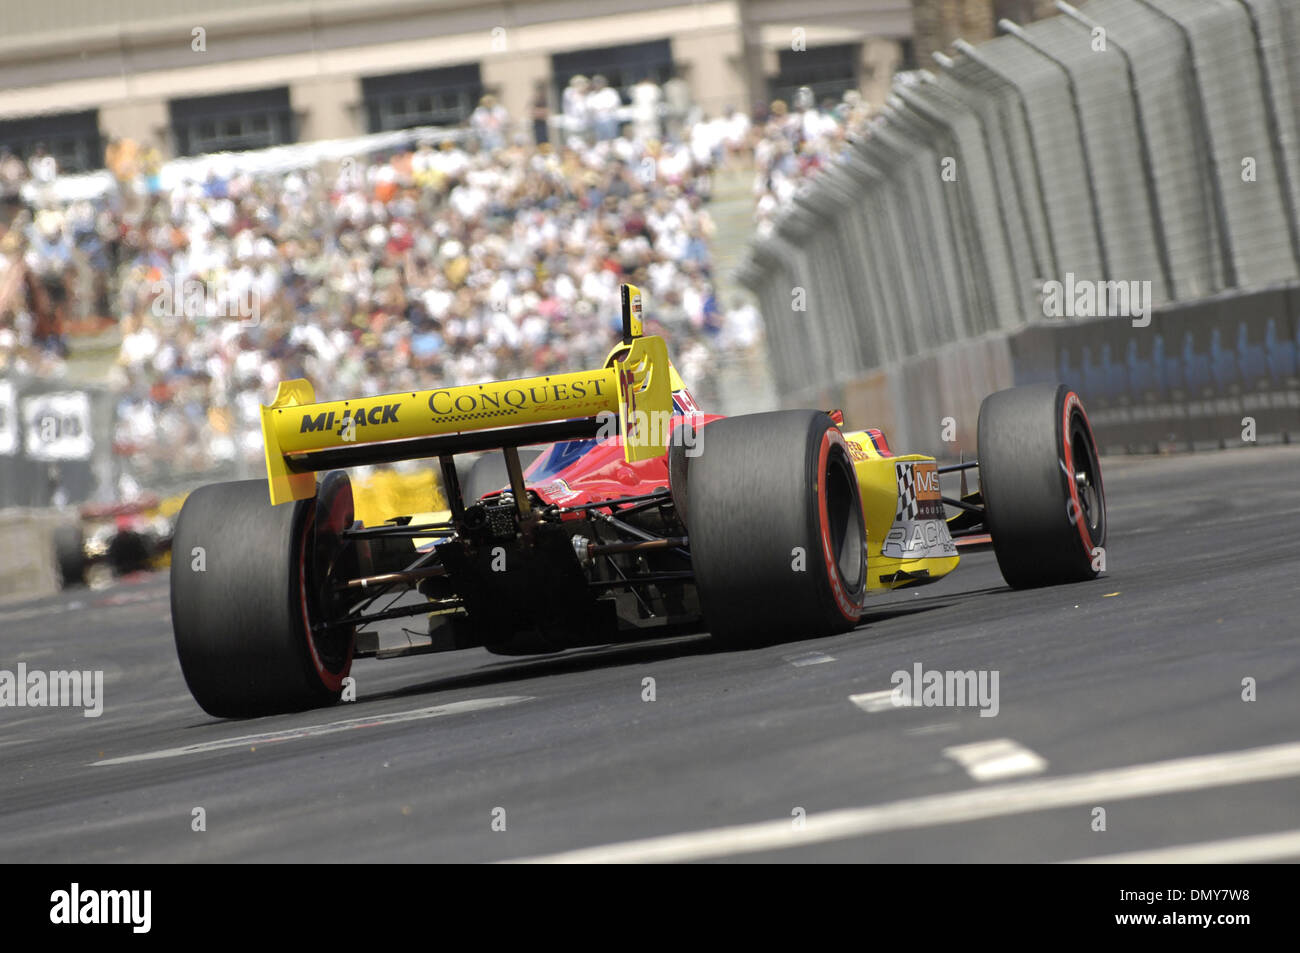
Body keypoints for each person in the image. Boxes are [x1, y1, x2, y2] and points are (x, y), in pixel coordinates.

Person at [587, 75, 622, 142]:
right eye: (595, 83)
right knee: (600, 140)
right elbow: (590, 107)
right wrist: (601, 109)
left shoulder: (610, 92)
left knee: (612, 139)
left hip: (610, 120)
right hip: (597, 121)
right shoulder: (591, 95)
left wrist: (602, 109)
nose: (597, 84)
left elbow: (614, 104)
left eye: (599, 82)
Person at [631, 76, 662, 142]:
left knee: (644, 134)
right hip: (648, 113)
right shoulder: (652, 88)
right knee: (651, 133)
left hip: (642, 114)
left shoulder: (637, 88)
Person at [529, 81, 551, 146]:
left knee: (545, 141)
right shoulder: (535, 99)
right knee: (539, 141)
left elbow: (547, 112)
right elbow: (532, 112)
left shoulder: (544, 99)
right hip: (537, 124)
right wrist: (539, 113)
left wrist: (540, 113)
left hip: (544, 124)